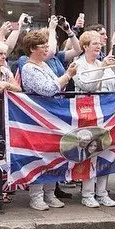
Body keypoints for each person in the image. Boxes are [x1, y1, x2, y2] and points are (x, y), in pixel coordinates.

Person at [20, 29, 78, 211]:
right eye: (42, 46)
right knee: (40, 157)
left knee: (54, 155)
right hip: (39, 117)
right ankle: (36, 196)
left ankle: (50, 193)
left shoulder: (45, 66)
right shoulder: (29, 68)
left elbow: (56, 87)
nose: (47, 49)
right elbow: (49, 89)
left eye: (47, 45)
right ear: (31, 49)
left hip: (53, 116)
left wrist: (65, 77)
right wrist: (67, 75)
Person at [73, 29, 115, 208]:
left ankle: (102, 192)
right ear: (85, 46)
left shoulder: (103, 63)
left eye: (100, 44)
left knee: (105, 152)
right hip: (87, 114)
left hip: (105, 113)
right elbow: (87, 85)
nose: (98, 47)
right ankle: (87, 193)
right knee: (89, 153)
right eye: (95, 44)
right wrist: (102, 68)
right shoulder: (78, 64)